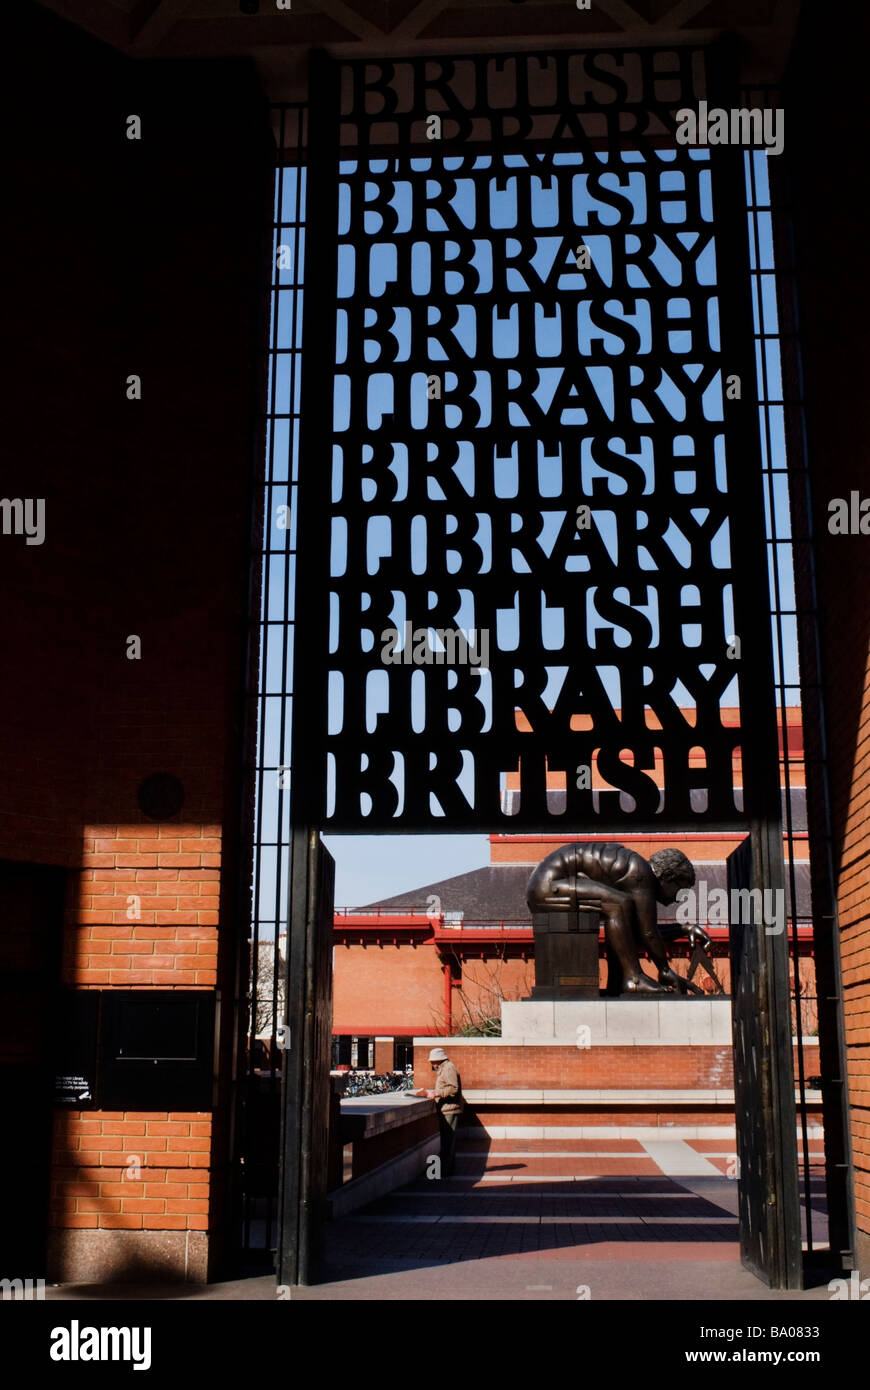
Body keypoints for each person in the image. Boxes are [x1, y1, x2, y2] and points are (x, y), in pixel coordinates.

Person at [526, 841, 696, 995]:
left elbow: (636, 932)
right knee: (619, 905)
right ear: (669, 878)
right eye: (681, 891)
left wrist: (683, 929)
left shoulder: (636, 870)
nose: (677, 899)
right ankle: (633, 979)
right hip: (548, 886)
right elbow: (648, 933)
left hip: (548, 883)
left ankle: (618, 983)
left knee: (621, 912)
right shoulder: (640, 874)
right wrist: (665, 970)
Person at [424, 1046, 464, 1177]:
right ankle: (446, 1169)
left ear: (438, 1060)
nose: (432, 1064)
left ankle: (444, 1171)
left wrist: (436, 1093)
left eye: (433, 1062)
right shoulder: (445, 1068)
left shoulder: (448, 1068)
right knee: (447, 1141)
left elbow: (453, 1089)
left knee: (447, 1141)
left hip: (450, 1109)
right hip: (447, 1109)